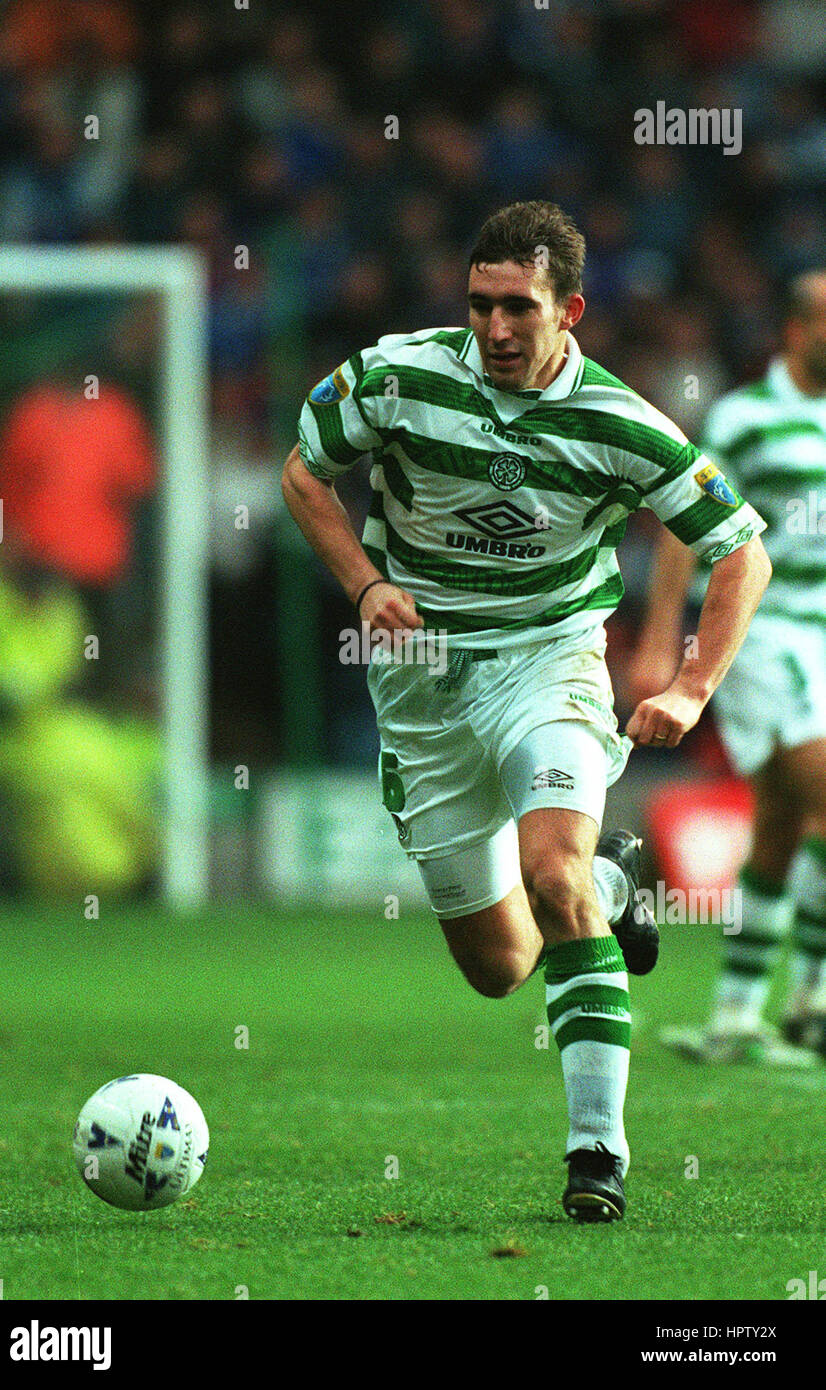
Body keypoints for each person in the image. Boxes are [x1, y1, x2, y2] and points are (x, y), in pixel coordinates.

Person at [282, 200, 770, 1222]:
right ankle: (608, 874)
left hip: (549, 663)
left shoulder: (619, 422)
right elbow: (303, 473)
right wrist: (366, 585)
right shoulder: (397, 377)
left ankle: (595, 1153)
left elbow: (738, 547)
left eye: (518, 309)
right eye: (478, 306)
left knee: (549, 877)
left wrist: (688, 684)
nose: (495, 330)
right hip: (421, 689)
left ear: (570, 310)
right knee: (499, 965)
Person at [629, 270, 826, 1067]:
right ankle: (815, 1001)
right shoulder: (746, 418)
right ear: (794, 330)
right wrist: (657, 640)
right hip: (766, 635)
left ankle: (740, 1017)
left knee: (783, 826)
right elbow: (686, 524)